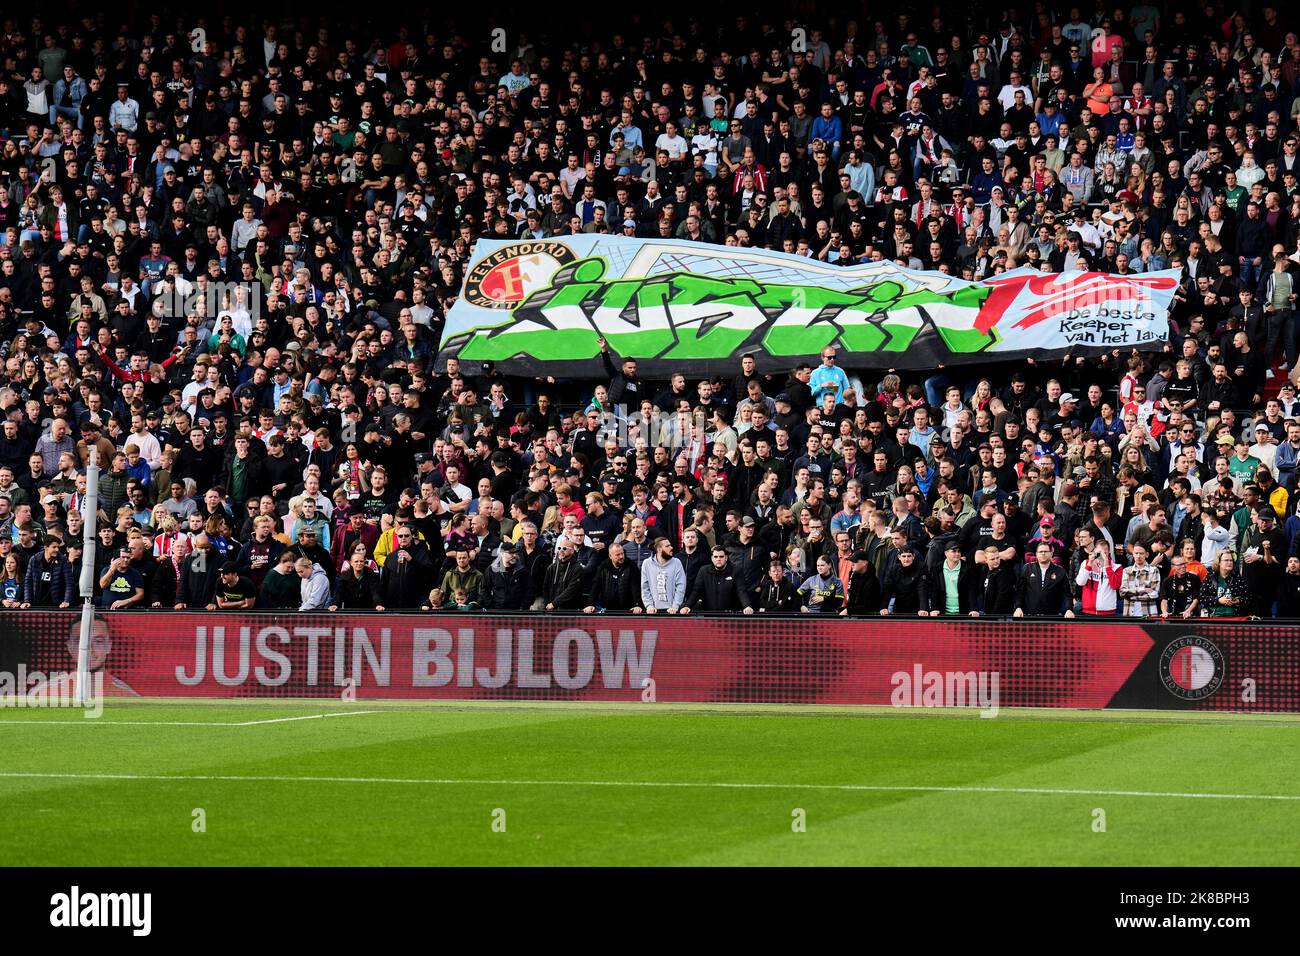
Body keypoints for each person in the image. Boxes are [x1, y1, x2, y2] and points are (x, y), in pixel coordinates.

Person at [682, 546, 754, 614]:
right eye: (715, 557)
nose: (718, 559)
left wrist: (747, 606)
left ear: (726, 558)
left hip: (730, 614)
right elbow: (696, 591)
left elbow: (741, 590)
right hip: (708, 614)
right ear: (712, 558)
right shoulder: (703, 571)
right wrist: (687, 606)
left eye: (721, 557)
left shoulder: (736, 570)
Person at [640, 537, 686, 614]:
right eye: (667, 546)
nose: (671, 548)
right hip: (653, 611)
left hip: (672, 611)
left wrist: (675, 606)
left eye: (670, 545)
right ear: (659, 549)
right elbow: (645, 587)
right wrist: (649, 605)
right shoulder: (647, 563)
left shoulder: (677, 562)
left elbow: (681, 586)